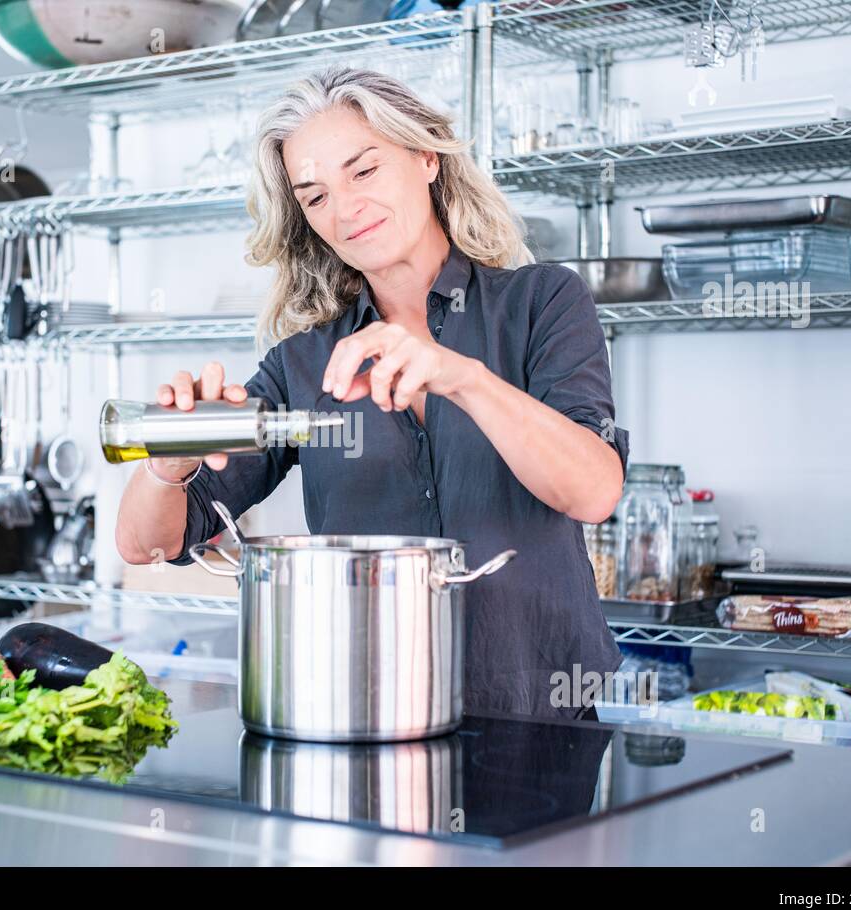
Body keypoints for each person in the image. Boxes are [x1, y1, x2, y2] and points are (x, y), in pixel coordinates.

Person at [115, 66, 629, 720]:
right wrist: (170, 457)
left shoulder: (544, 304)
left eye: (363, 170)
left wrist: (455, 373)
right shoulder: (301, 365)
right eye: (315, 194)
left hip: (543, 717)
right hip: (365, 717)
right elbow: (145, 545)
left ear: (425, 158)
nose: (345, 207)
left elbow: (594, 489)